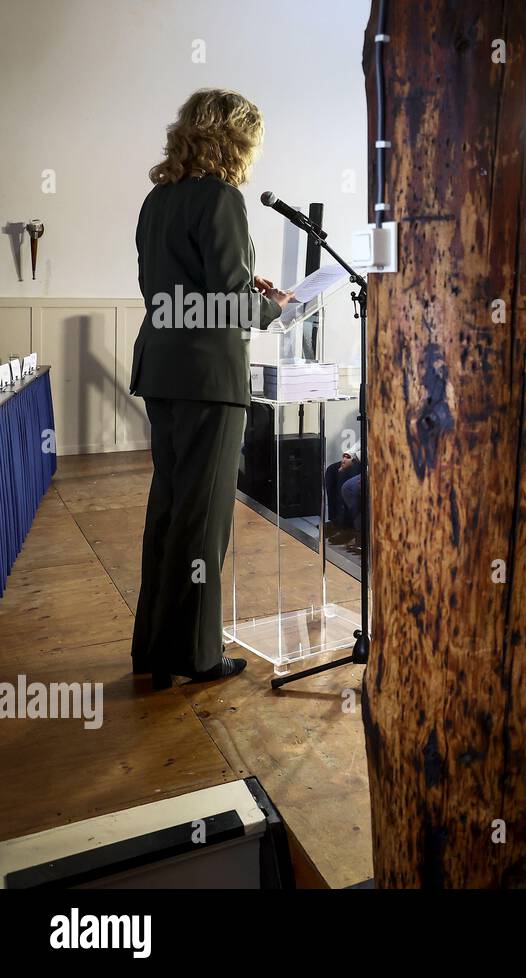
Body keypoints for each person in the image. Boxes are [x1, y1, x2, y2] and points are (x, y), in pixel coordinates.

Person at [130, 89, 294, 688]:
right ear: (232, 138)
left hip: (162, 366)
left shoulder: (159, 198)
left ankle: (153, 648)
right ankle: (195, 655)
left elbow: (169, 290)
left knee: (170, 510)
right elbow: (226, 300)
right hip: (208, 377)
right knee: (204, 522)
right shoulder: (222, 198)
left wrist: (238, 285)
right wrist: (273, 307)